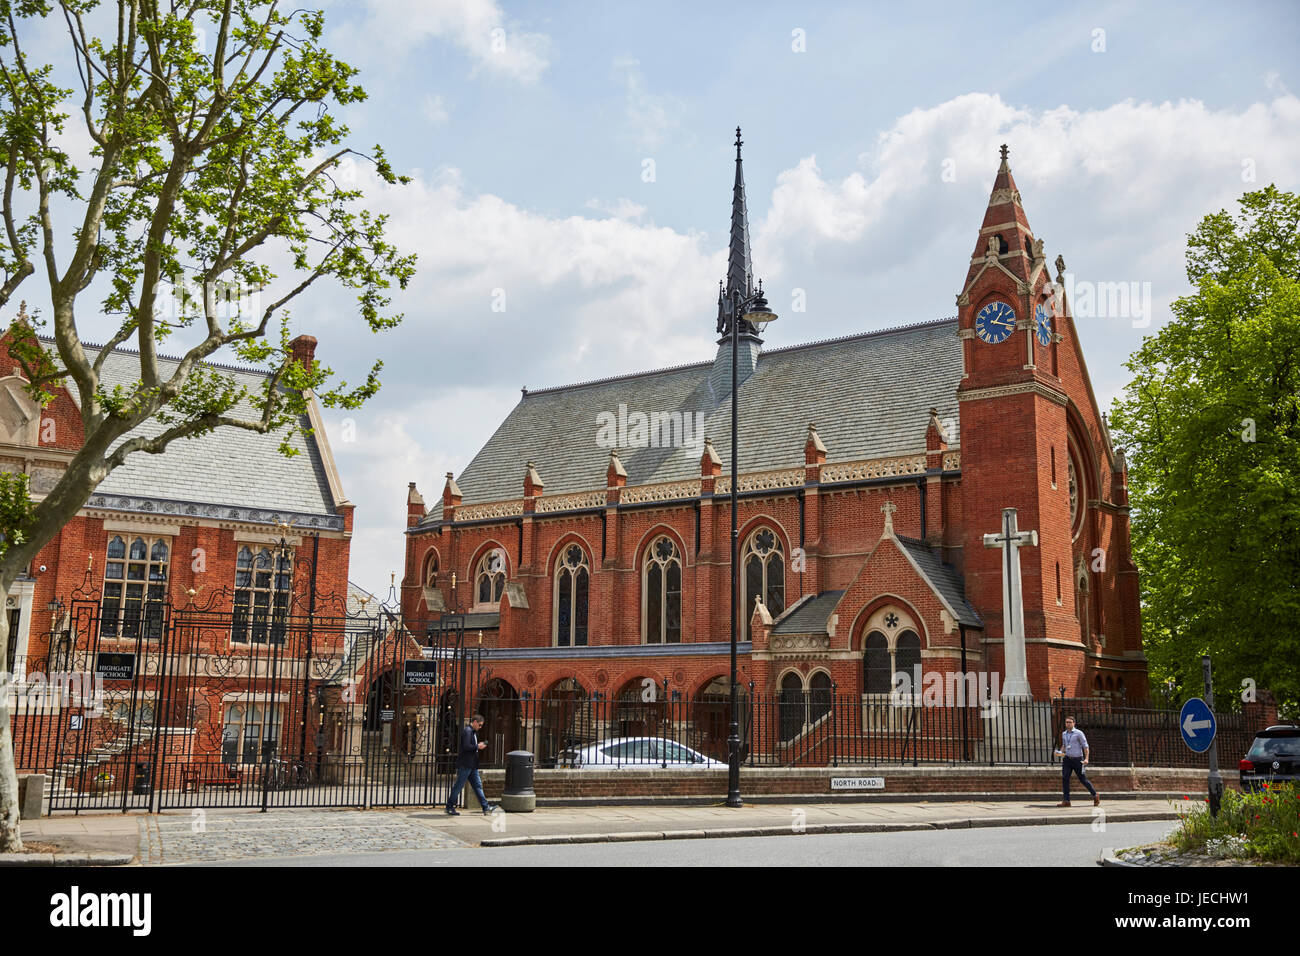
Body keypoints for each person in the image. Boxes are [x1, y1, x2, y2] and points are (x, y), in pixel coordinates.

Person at [446, 714, 496, 815]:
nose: (480, 727)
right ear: (474, 722)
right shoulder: (467, 731)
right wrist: (478, 746)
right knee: (459, 786)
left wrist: (477, 746)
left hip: (472, 765)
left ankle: (485, 807)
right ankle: (450, 806)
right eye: (480, 725)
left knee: (478, 786)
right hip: (465, 764)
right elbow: (466, 746)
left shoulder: (472, 732)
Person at [1056, 715, 1100, 807]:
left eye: (1070, 722)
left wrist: (1086, 758)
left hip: (1078, 760)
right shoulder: (1064, 734)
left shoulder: (1079, 733)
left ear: (1074, 723)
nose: (1068, 724)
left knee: (1083, 779)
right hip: (1067, 759)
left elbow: (1085, 746)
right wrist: (1060, 752)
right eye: (1066, 722)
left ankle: (1095, 795)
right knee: (1065, 779)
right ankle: (1066, 801)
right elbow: (1064, 745)